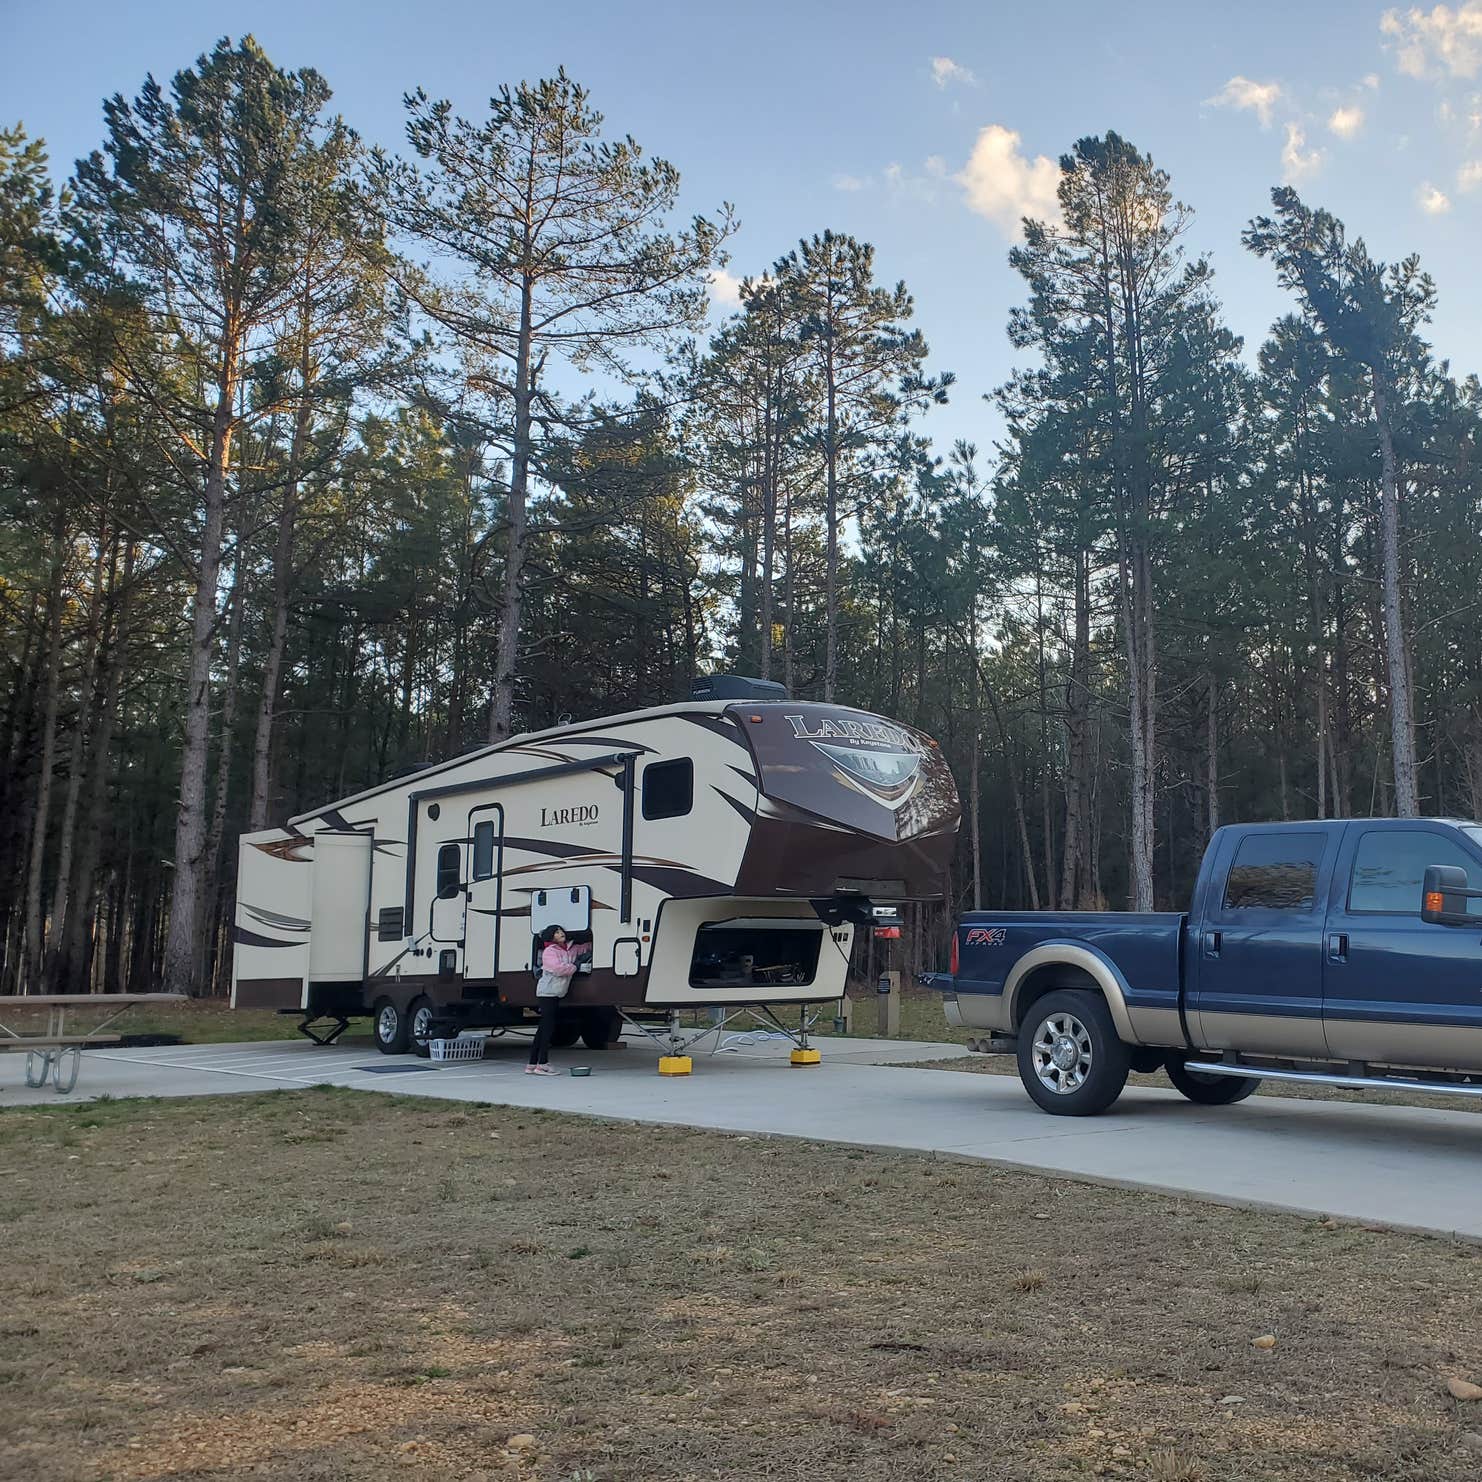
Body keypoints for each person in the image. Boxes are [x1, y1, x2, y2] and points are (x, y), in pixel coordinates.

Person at [527, 925, 585, 1075]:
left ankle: (532, 1064)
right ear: (551, 937)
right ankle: (542, 1064)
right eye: (557, 932)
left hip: (556, 993)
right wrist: (574, 967)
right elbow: (558, 969)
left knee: (543, 1029)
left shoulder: (569, 949)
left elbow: (583, 948)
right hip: (547, 992)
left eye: (561, 931)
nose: (561, 933)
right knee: (547, 1028)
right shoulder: (549, 951)